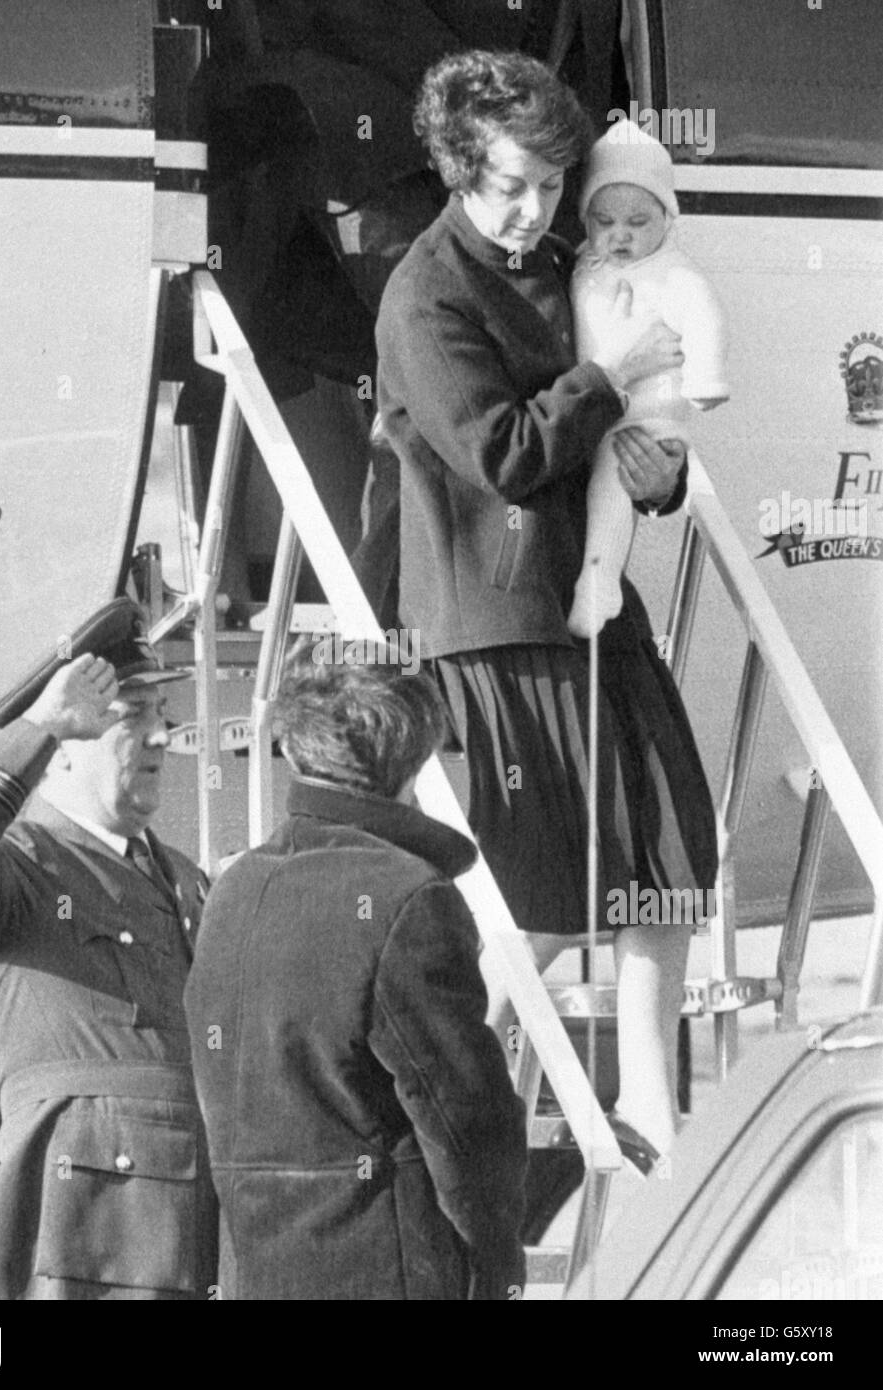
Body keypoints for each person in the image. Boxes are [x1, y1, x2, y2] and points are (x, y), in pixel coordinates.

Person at [376, 50, 718, 1162]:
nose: (537, 209)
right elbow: (502, 454)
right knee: (503, 887)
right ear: (458, 170)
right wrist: (609, 378)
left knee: (665, 849)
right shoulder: (424, 294)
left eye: (553, 183)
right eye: (513, 185)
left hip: (589, 605)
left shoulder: (572, 259)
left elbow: (614, 432)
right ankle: (461, 1124)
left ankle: (649, 1105)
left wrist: (653, 464)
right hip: (487, 619)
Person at [185, 640, 528, 1300]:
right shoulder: (408, 898)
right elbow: (465, 1122)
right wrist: (496, 1270)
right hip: (386, 1273)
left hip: (259, 1272)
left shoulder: (233, 888)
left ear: (290, 748)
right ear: (420, 753)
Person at [0, 601, 218, 1299]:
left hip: (190, 1233)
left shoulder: (187, 882)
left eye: (161, 715)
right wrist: (38, 726)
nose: (162, 737)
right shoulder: (15, 868)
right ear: (67, 744)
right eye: (132, 715)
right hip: (85, 1236)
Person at [567, 119, 729, 636]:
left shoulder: (674, 272)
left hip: (647, 418)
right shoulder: (575, 264)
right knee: (601, 485)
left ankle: (599, 577)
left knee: (611, 486)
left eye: (638, 221)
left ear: (667, 217)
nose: (620, 236)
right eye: (603, 221)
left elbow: (705, 316)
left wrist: (705, 376)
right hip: (589, 412)